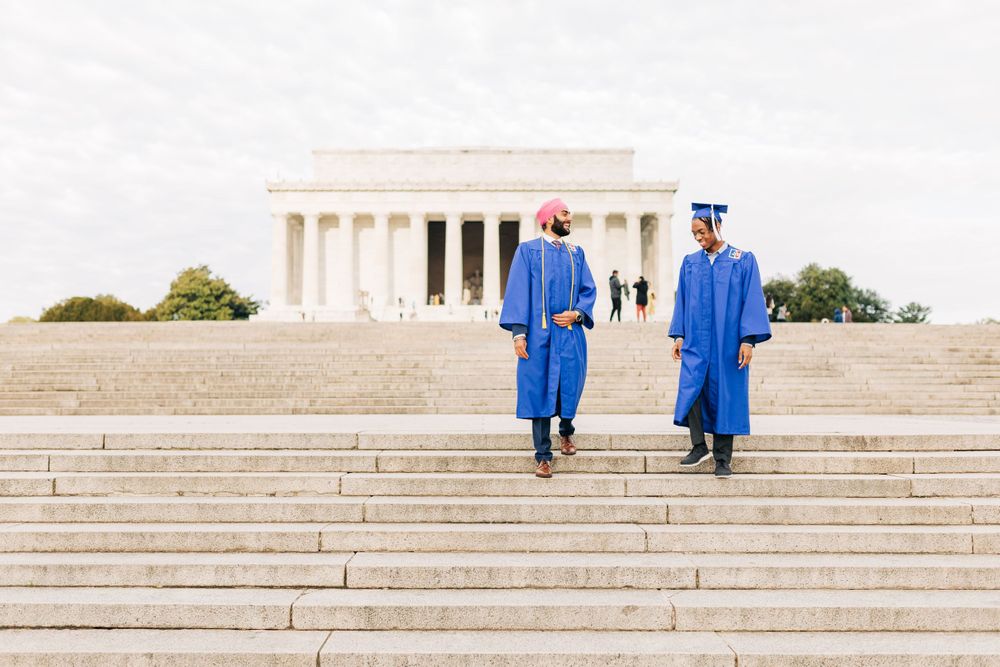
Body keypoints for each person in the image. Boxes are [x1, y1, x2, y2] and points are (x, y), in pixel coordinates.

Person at [669, 203, 772, 478]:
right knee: (691, 388)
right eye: (694, 234)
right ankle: (699, 446)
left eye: (702, 232)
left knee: (727, 395)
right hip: (697, 341)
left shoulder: (743, 259)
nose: (698, 238)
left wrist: (748, 339)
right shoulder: (690, 263)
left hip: (728, 342)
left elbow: (751, 299)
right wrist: (679, 334)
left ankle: (723, 459)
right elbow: (683, 300)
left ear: (716, 226)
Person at [500, 198, 597, 478]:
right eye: (564, 213)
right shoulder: (528, 251)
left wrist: (577, 314)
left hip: (568, 332)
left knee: (569, 384)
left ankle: (566, 430)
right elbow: (517, 291)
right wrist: (519, 333)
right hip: (538, 334)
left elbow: (588, 289)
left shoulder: (576, 253)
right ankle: (543, 456)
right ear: (548, 219)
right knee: (539, 390)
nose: (570, 217)